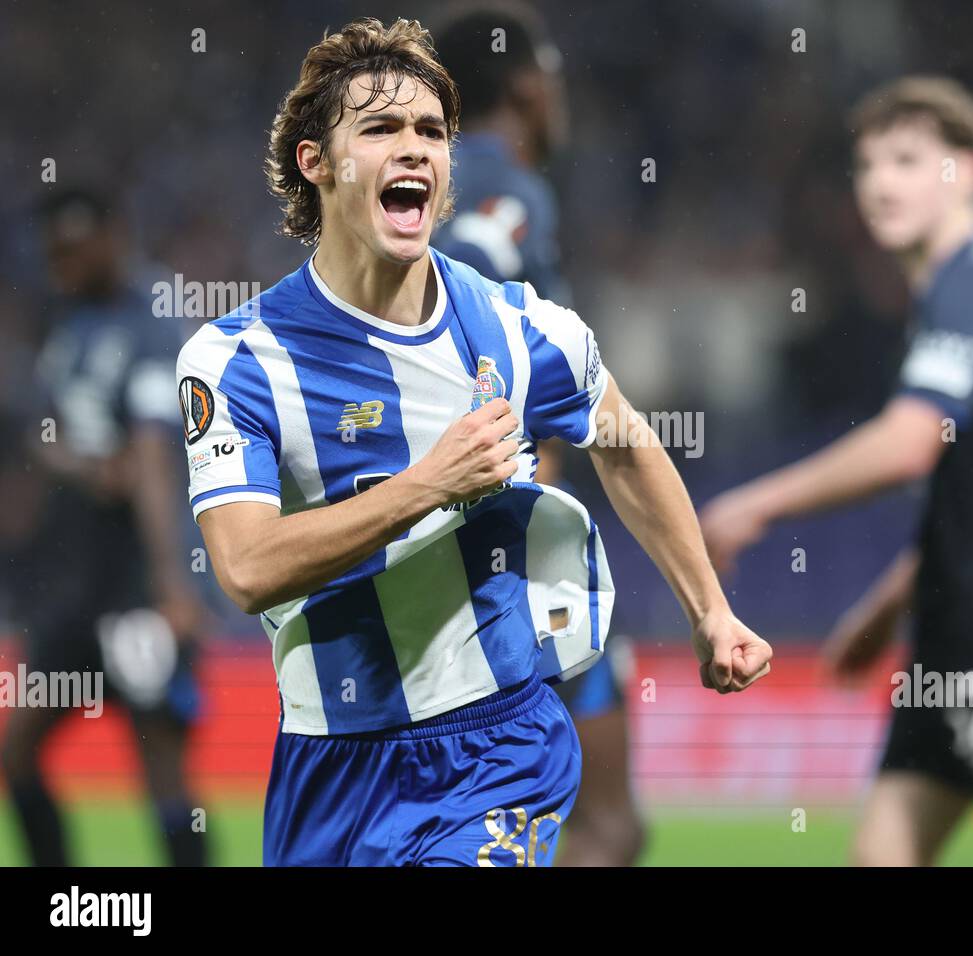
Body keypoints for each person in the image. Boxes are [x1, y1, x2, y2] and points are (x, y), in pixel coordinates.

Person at [178, 17, 771, 867]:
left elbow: (627, 441)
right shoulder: (236, 360)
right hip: (326, 762)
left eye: (431, 131)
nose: (414, 147)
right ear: (317, 164)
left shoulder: (519, 326)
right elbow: (244, 567)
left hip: (495, 746)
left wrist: (709, 610)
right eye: (381, 129)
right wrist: (429, 484)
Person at [701, 76, 973, 866]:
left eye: (906, 160)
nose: (879, 184)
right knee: (883, 856)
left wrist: (757, 504)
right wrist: (886, 607)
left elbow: (907, 443)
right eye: (867, 165)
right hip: (951, 635)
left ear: (965, 171)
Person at [431, 4, 644, 866]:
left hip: (419, 551)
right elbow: (527, 379)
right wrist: (528, 464)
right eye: (550, 80)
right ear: (526, 85)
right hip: (514, 553)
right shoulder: (509, 189)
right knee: (603, 827)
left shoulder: (403, 197)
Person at [1, 189, 207, 866]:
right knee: (19, 749)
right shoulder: (66, 320)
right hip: (74, 586)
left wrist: (173, 582)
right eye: (52, 251)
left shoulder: (149, 317)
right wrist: (83, 465)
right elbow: (46, 433)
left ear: (112, 238)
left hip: (136, 584)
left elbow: (150, 455)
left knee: (162, 764)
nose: (59, 262)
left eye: (71, 248)